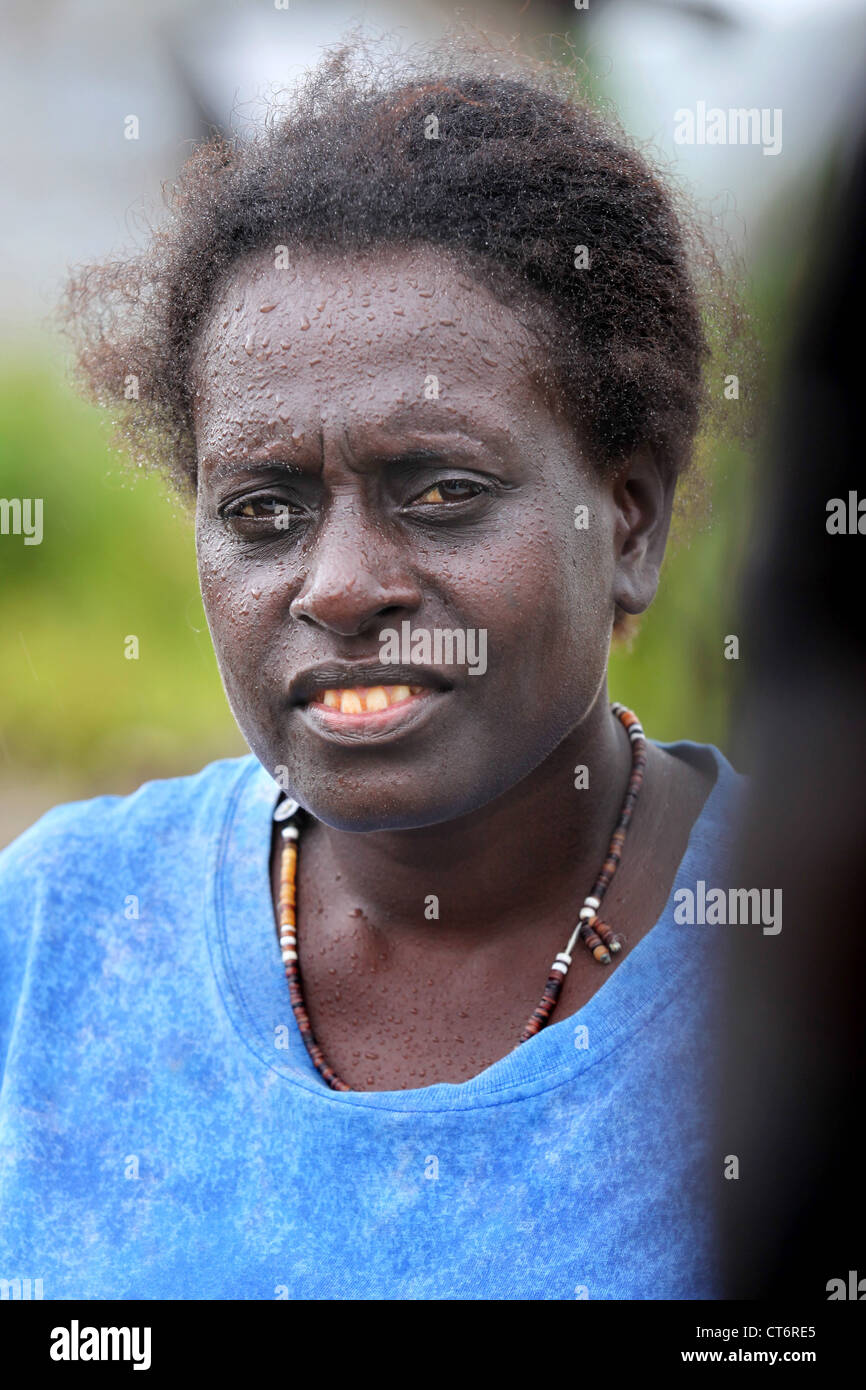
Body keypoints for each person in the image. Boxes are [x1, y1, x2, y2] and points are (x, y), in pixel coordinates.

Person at [0, 35, 748, 1299]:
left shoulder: (796, 961)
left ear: (626, 524)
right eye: (261, 510)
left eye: (443, 490)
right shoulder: (58, 937)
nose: (340, 585)